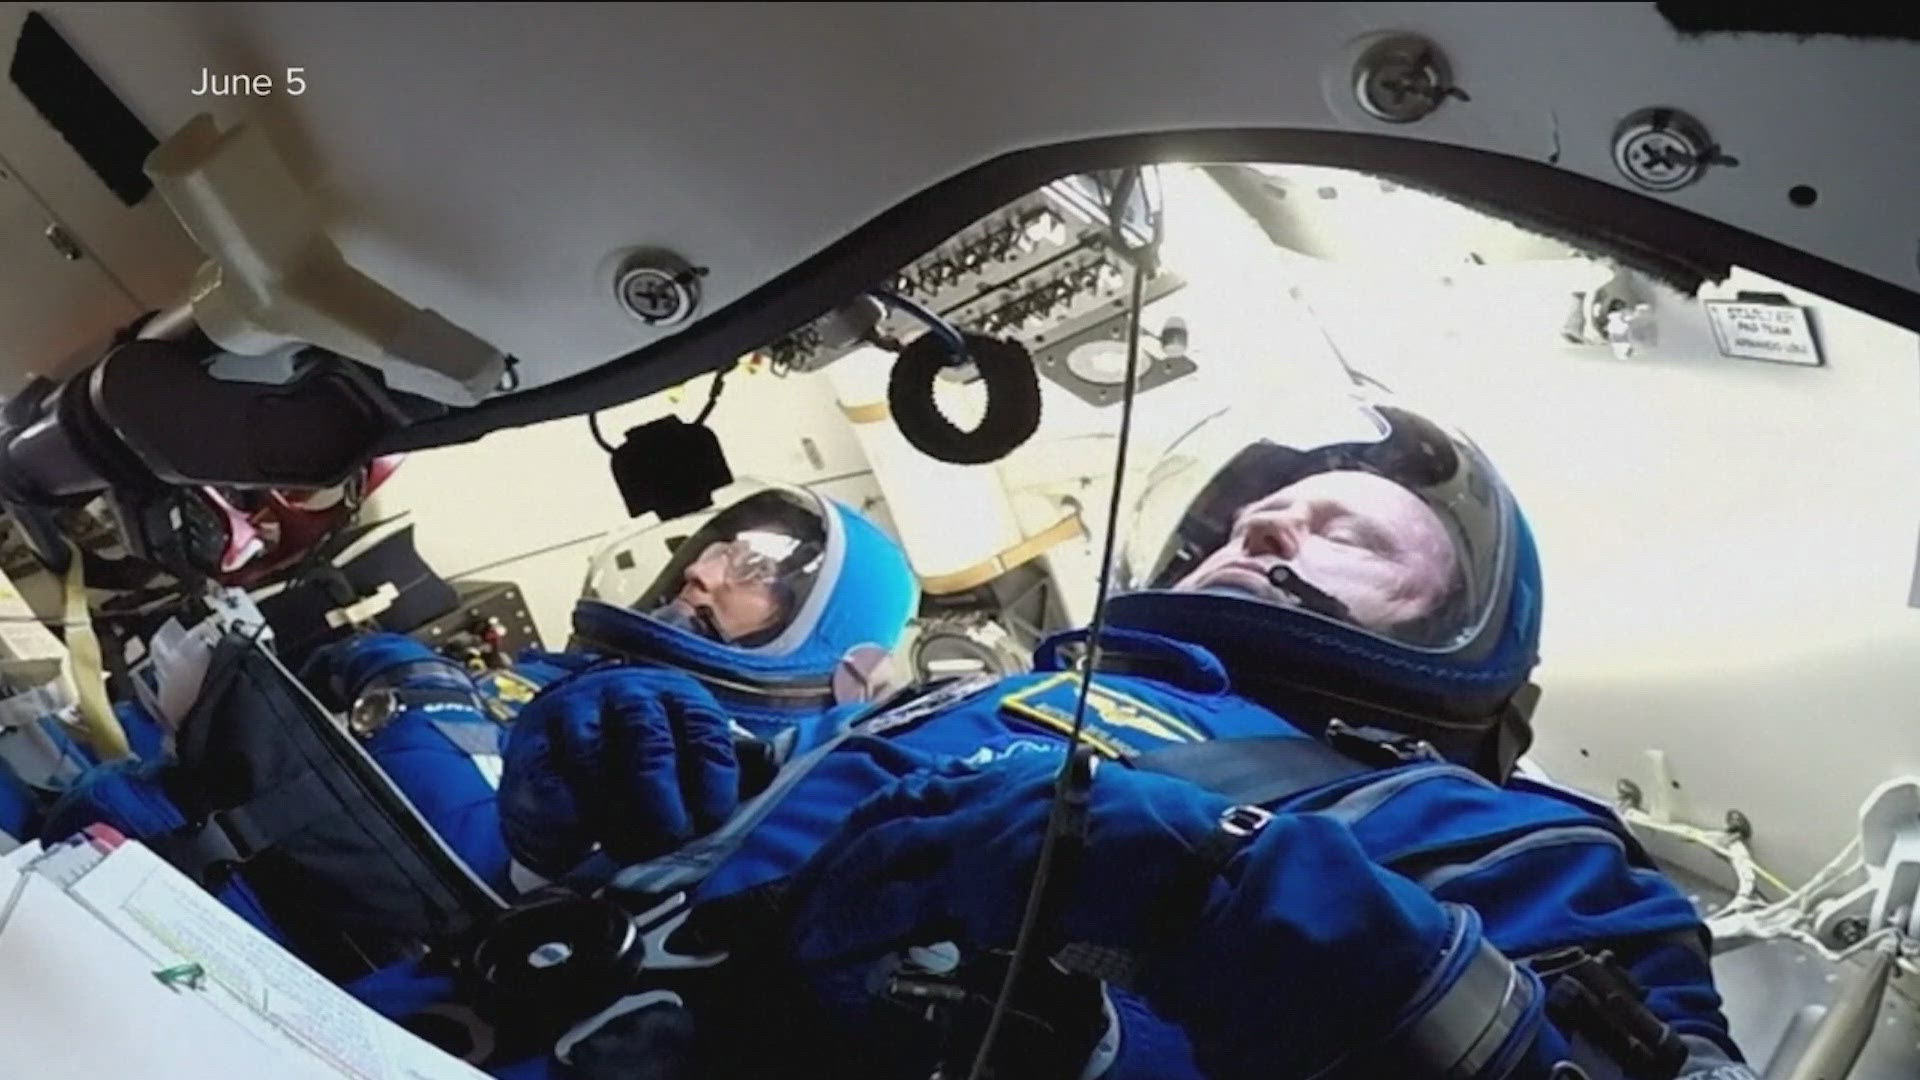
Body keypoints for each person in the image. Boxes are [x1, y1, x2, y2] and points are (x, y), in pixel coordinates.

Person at [471, 393, 1747, 1079]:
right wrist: (582, 779)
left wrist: (1230, 898)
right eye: (1250, 522)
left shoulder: (1504, 839)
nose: (1264, 527)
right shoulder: (960, 705)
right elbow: (670, 865)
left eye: (1346, 530)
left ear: (1462, 630)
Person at [330, 482, 920, 895]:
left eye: (755, 573)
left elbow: (467, 853)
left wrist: (407, 680)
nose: (701, 572)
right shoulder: (578, 683)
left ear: (846, 665)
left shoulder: (705, 779)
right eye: (721, 551)